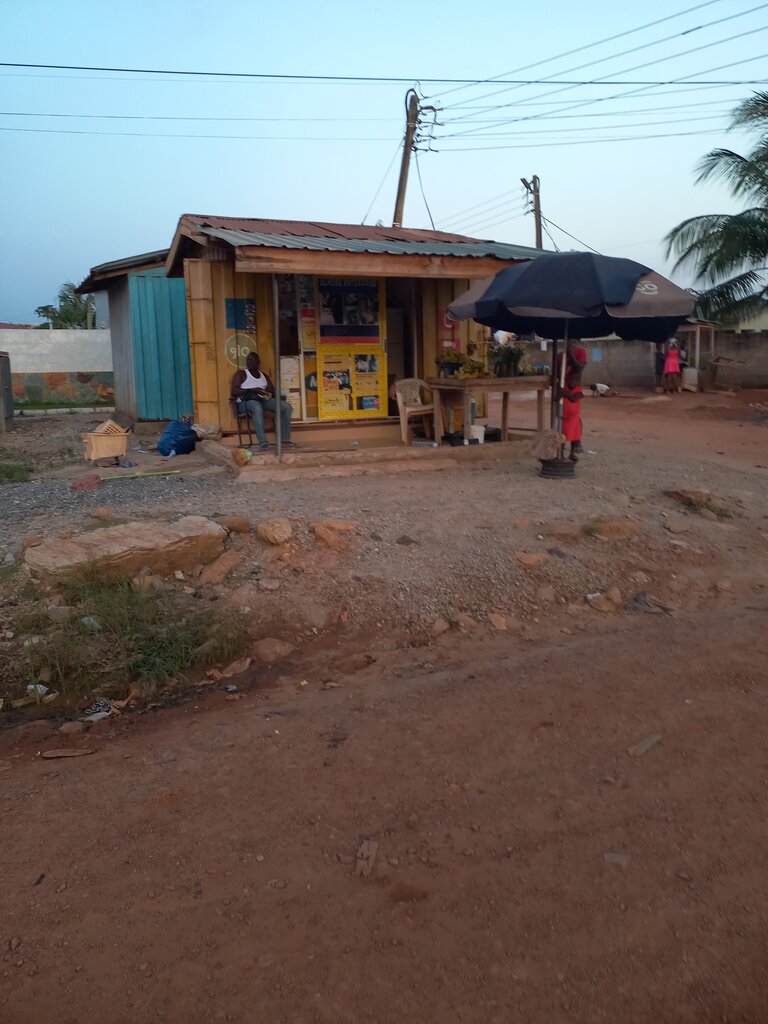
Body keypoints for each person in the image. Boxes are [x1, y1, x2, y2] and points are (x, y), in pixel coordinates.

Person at [230, 351, 293, 451]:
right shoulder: (241, 374)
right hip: (244, 402)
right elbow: (233, 391)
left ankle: (284, 440)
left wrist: (280, 396)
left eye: (251, 360)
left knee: (286, 407)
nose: (249, 362)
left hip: (262, 400)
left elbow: (272, 390)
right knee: (256, 406)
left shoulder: (264, 376)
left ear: (258, 362)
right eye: (247, 360)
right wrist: (252, 389)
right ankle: (263, 442)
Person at [556, 342, 588, 461]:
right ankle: (562, 450)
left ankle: (574, 448)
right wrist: (560, 392)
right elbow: (555, 375)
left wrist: (570, 354)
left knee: (575, 420)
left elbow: (579, 368)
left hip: (574, 391)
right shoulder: (559, 356)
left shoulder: (581, 352)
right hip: (563, 391)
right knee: (563, 421)